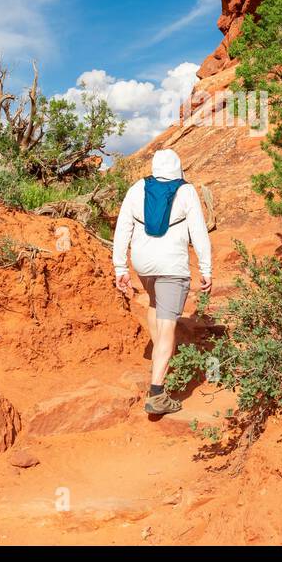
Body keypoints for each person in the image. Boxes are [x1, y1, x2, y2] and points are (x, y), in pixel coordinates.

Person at [112, 149, 212, 415]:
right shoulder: (186, 191)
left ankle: (160, 357)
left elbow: (123, 228)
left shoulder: (137, 188)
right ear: (178, 169)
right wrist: (206, 268)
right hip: (171, 266)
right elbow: (199, 232)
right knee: (168, 326)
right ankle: (157, 393)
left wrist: (120, 266)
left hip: (143, 264)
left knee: (155, 303)